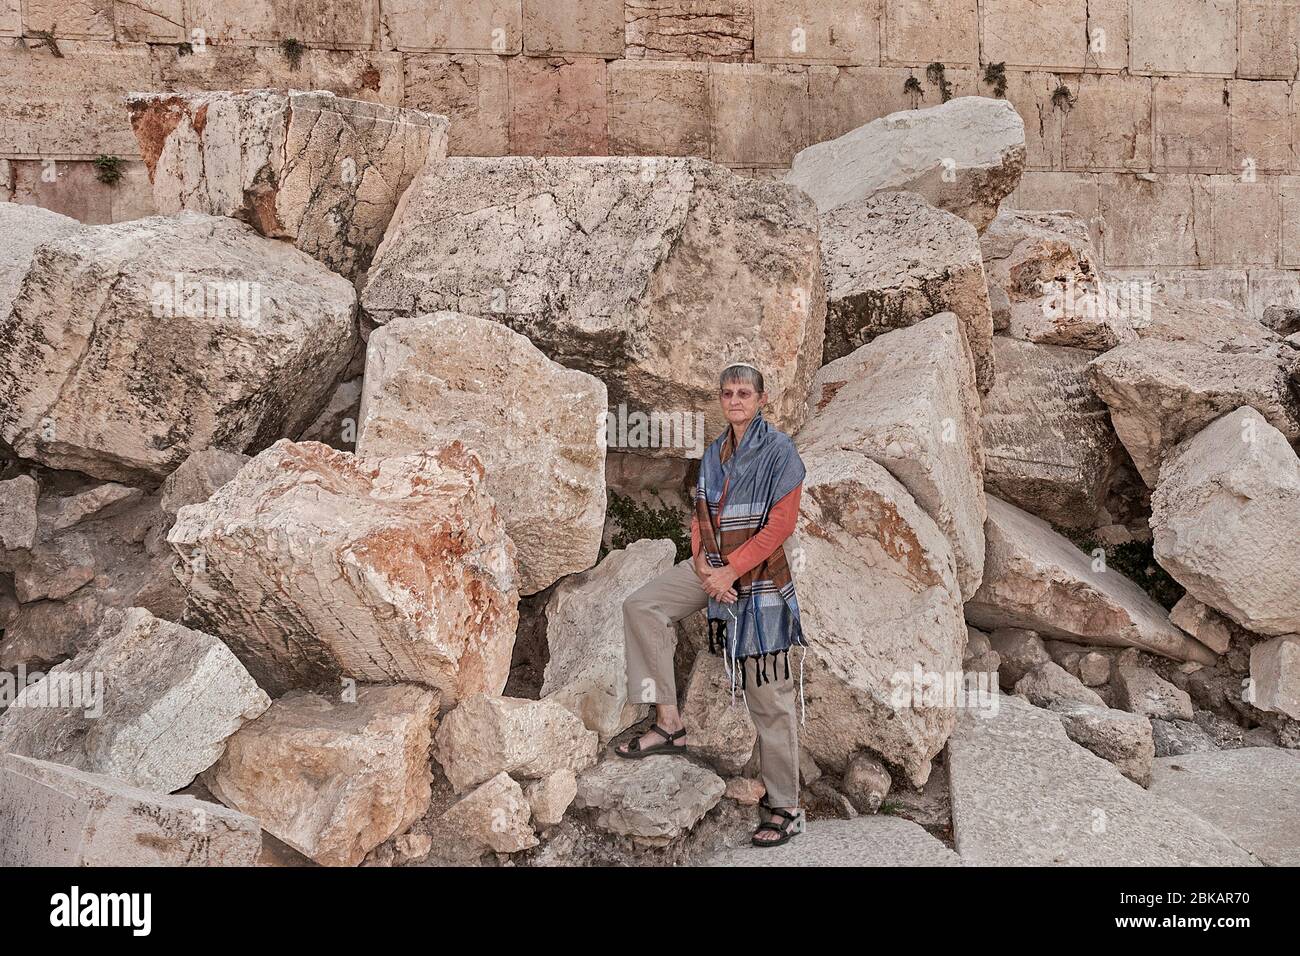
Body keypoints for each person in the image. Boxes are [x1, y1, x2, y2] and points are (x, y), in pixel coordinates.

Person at [615, 361, 809, 848]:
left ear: (761, 399)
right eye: (727, 393)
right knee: (642, 606)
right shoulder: (714, 453)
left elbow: (781, 525)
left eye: (744, 392)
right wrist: (704, 568)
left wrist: (731, 571)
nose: (735, 400)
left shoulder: (780, 452)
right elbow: (700, 519)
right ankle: (669, 724)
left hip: (758, 579)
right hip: (714, 570)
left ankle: (785, 806)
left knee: (769, 694)